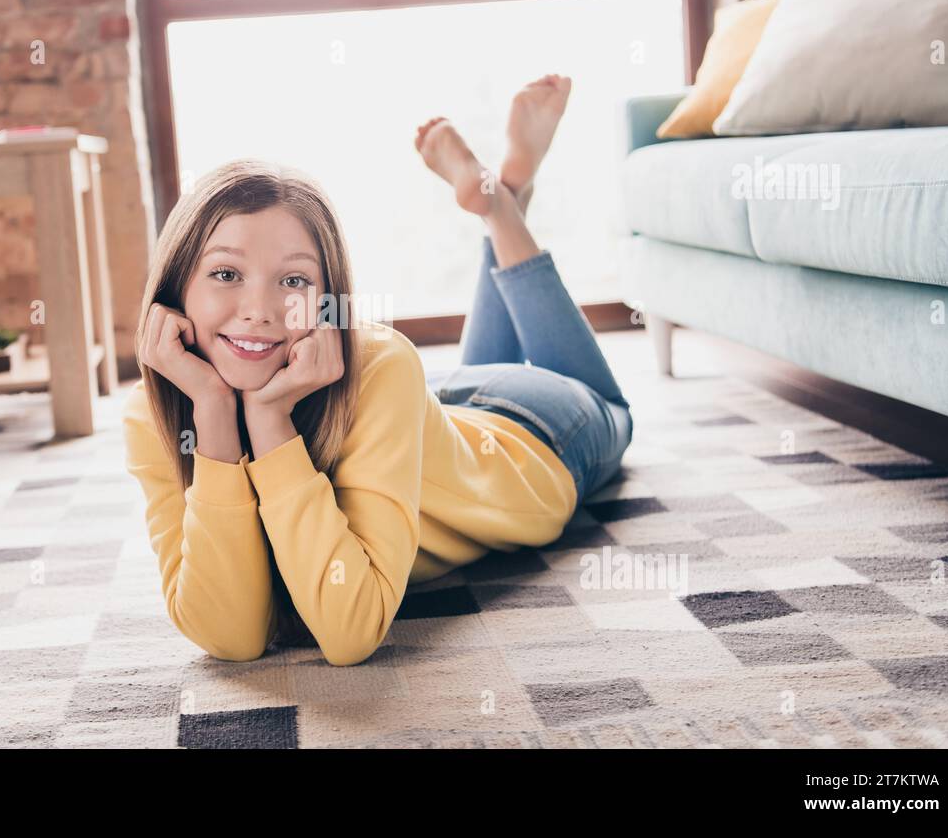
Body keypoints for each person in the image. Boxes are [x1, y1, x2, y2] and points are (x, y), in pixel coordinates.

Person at [123, 74, 633, 667]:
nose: (258, 310)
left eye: (292, 280)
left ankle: (499, 204)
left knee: (614, 410)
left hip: (532, 433)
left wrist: (267, 417)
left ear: (326, 298)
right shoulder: (155, 411)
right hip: (435, 416)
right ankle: (502, 194)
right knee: (436, 403)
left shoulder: (382, 365)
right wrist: (213, 413)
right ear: (175, 286)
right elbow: (231, 636)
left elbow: (350, 632)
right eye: (226, 274)